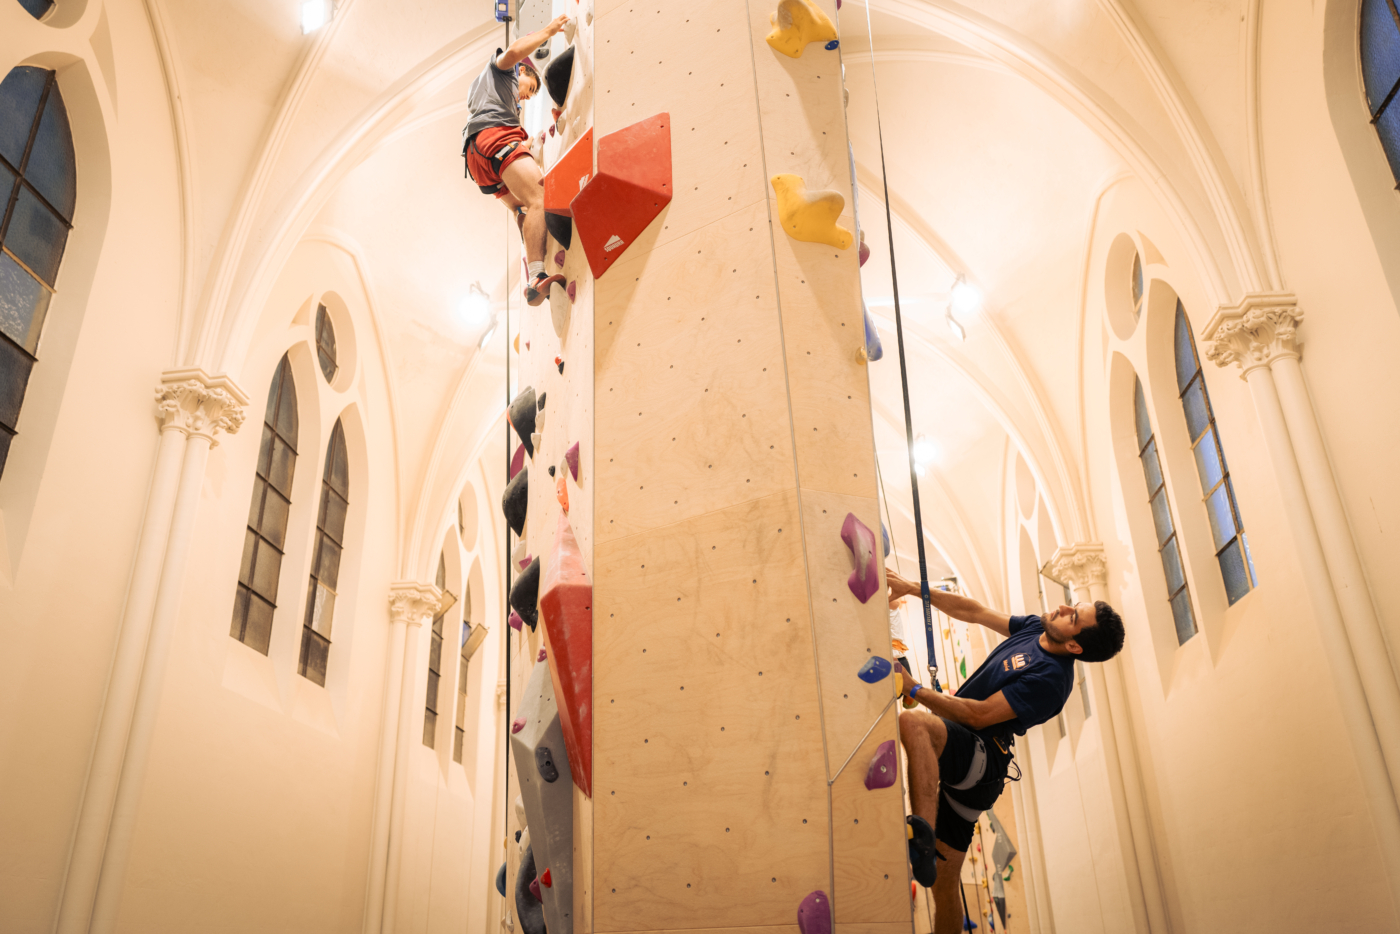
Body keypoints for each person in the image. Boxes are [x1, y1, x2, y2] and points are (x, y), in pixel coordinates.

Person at [885, 567, 1125, 934]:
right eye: (1071, 605)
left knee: (915, 723)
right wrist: (913, 589)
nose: (1061, 607)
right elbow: (974, 611)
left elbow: (979, 717)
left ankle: (922, 839)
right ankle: (927, 848)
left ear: (1075, 645)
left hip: (982, 761)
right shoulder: (1034, 628)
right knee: (945, 885)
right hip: (963, 750)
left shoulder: (1052, 681)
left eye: (1072, 616)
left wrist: (915, 690)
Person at [462, 14, 570, 306]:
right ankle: (536, 276)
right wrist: (548, 31)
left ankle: (529, 244)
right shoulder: (504, 72)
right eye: (530, 89)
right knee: (539, 197)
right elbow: (513, 52)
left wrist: (525, 145)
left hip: (479, 159)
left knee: (521, 207)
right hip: (494, 139)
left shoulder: (489, 95)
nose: (527, 97)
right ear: (523, 72)